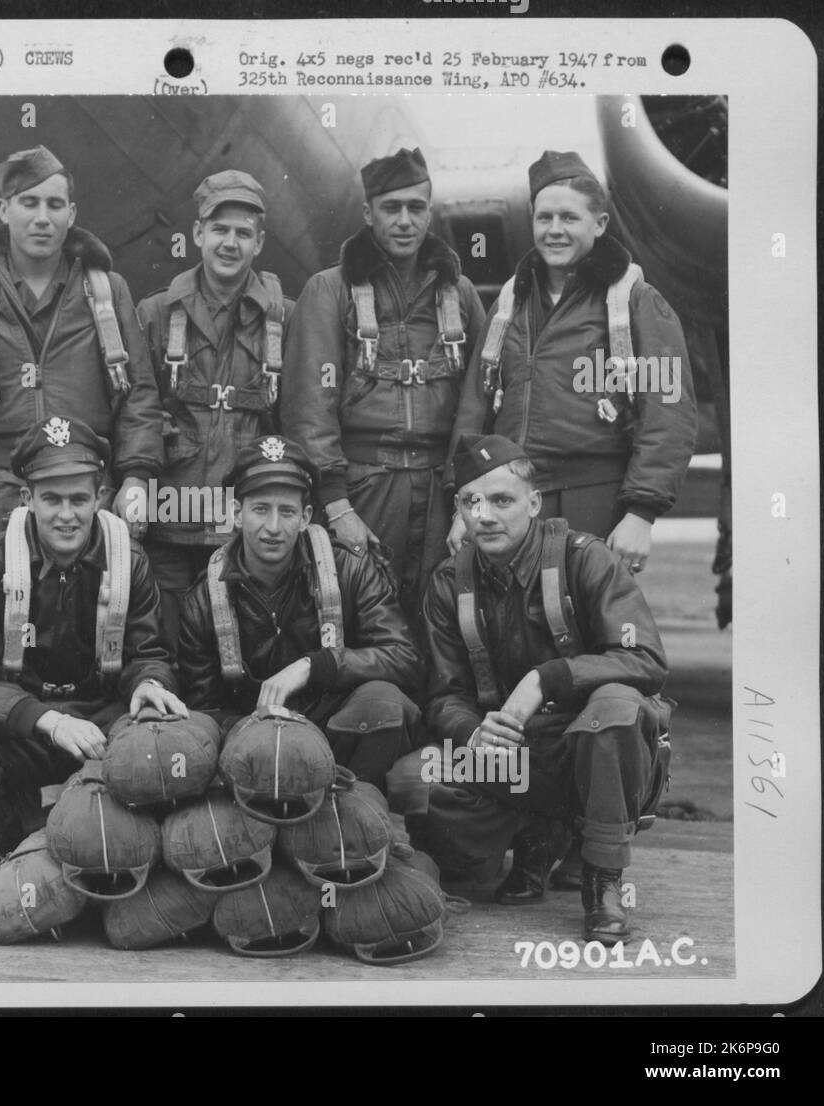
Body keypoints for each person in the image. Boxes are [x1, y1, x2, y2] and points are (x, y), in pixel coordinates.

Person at [389, 434, 672, 944]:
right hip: (515, 758)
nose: (485, 515)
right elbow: (442, 694)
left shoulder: (585, 559)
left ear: (534, 502)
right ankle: (539, 835)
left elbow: (646, 659)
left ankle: (602, 877)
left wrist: (548, 678)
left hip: (590, 749)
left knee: (614, 708)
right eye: (471, 502)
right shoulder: (450, 582)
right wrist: (473, 731)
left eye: (501, 500)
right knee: (418, 780)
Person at [0, 415, 186, 887]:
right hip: (21, 725)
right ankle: (5, 846)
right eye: (52, 500)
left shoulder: (129, 561)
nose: (67, 515)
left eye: (79, 499)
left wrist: (149, 682)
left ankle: (87, 839)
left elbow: (150, 651)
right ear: (27, 500)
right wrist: (46, 719)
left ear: (101, 498)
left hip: (101, 723)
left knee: (157, 744)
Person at [0, 145, 163, 581]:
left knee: (91, 620)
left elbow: (139, 394)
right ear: (3, 208)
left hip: (87, 489)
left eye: (54, 205)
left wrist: (137, 478)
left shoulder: (108, 291)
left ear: (71, 213)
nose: (42, 217)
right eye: (28, 203)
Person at [447, 149, 697, 577]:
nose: (554, 230)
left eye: (569, 218)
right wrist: (467, 502)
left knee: (595, 633)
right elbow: (475, 408)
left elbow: (669, 411)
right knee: (517, 636)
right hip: (515, 500)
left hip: (596, 498)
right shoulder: (509, 304)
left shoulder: (636, 301)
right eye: (544, 218)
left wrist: (641, 513)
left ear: (599, 224)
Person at [282, 147, 485, 623]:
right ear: (368, 213)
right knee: (360, 620)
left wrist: (467, 499)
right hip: (364, 490)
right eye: (391, 209)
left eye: (416, 208)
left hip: (442, 490)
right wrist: (336, 507)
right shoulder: (329, 291)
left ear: (430, 213)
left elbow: (477, 401)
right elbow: (309, 407)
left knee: (443, 624)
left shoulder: (461, 295)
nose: (404, 221)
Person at [177, 435, 424, 789]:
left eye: (287, 511)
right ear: (235, 513)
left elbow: (404, 658)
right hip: (255, 743)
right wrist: (261, 730)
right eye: (260, 509)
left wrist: (317, 665)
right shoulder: (204, 599)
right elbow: (204, 711)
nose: (274, 528)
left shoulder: (348, 569)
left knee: (382, 704)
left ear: (306, 516)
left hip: (337, 731)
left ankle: (354, 802)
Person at [135, 170, 292, 651]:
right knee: (166, 642)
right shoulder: (157, 314)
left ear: (259, 242)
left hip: (243, 519)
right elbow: (137, 406)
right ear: (198, 233)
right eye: (219, 229)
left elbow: (296, 418)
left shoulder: (285, 317)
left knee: (239, 647)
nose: (230, 243)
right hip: (170, 515)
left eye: (243, 233)